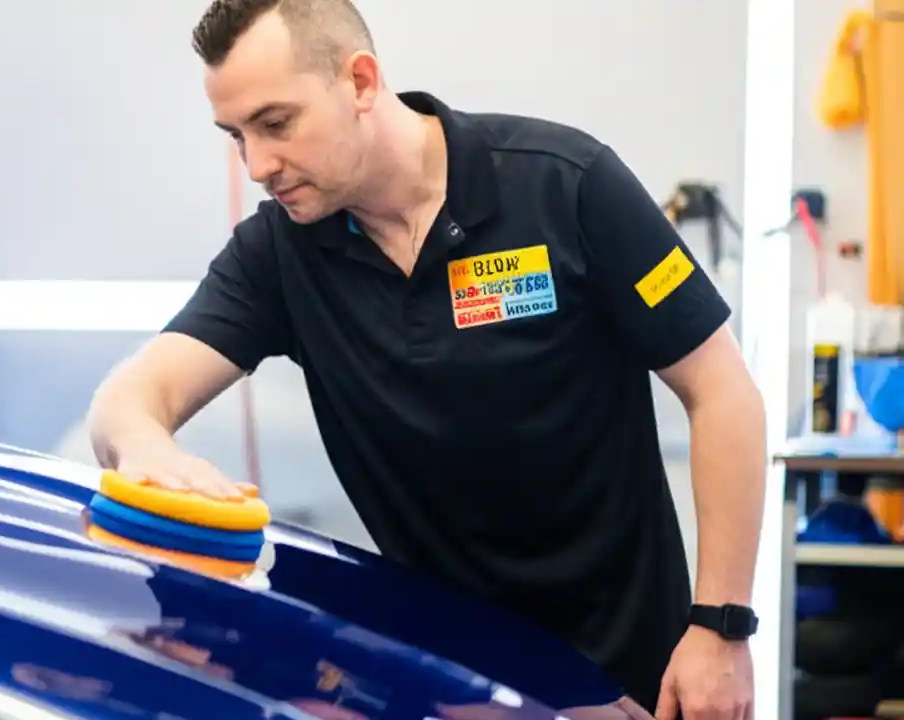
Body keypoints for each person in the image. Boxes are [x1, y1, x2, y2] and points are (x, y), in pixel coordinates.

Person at [86, 1, 767, 718]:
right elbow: (133, 397)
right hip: (447, 688)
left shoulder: (566, 185)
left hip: (636, 677)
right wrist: (144, 445)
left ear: (361, 82)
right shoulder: (280, 254)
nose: (258, 165)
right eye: (236, 136)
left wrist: (721, 627)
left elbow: (721, 390)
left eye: (276, 124)